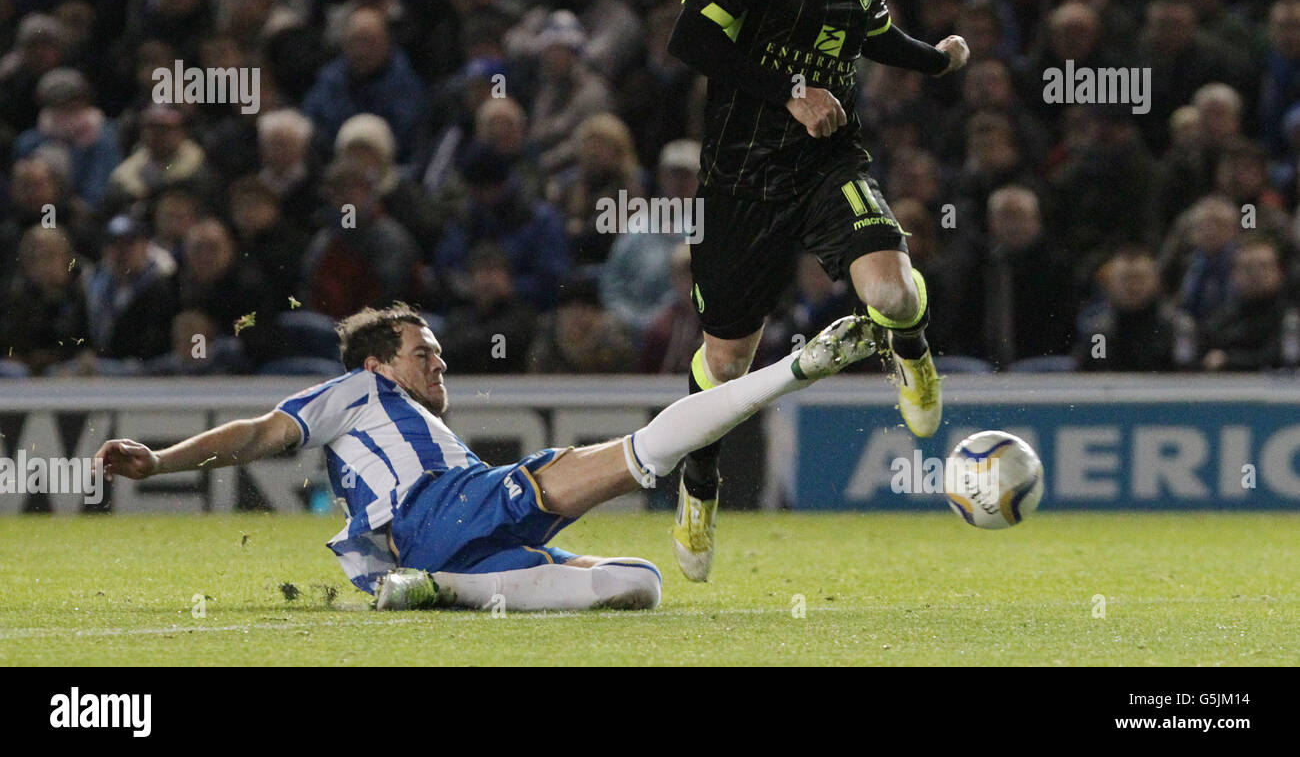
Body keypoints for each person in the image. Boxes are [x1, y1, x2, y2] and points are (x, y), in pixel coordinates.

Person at [93, 303, 879, 612]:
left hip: (456, 525)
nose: (439, 365)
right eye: (422, 354)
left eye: (439, 354)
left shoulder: (427, 423)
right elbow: (260, 434)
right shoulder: (355, 394)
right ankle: (793, 369)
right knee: (631, 455)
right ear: (378, 364)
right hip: (435, 507)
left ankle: (441, 590)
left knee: (640, 586)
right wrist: (159, 462)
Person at [663, 0, 969, 580]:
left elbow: (874, 36)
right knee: (727, 362)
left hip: (827, 161)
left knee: (893, 291)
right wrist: (793, 93)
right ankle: (699, 487)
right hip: (741, 177)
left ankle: (911, 352)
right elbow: (689, 41)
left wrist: (936, 59)